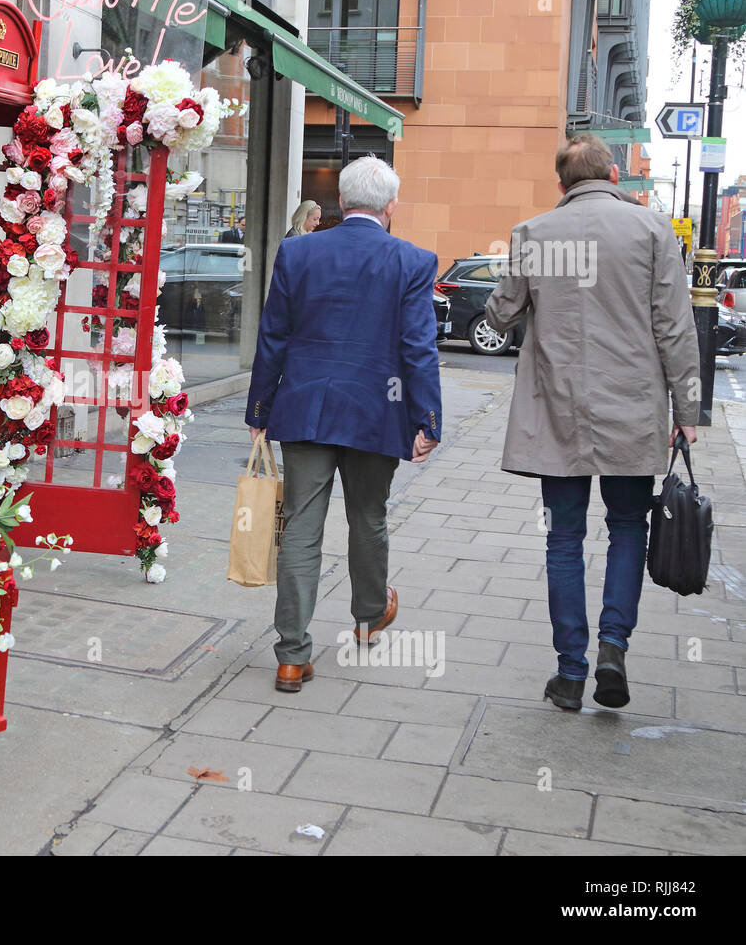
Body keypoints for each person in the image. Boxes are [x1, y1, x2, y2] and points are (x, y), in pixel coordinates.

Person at [484, 132, 700, 713]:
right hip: (633, 407)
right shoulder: (654, 231)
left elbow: (501, 316)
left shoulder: (533, 234)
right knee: (630, 525)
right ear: (612, 176)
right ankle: (612, 647)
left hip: (558, 410)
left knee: (563, 538)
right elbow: (675, 327)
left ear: (562, 184)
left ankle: (570, 671)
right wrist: (688, 410)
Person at [245, 155, 441, 693]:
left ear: (341, 201)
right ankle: (370, 613)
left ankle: (291, 654)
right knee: (368, 516)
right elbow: (418, 349)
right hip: (378, 411)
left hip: (305, 408)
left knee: (302, 527)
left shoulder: (298, 251)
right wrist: (427, 419)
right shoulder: (413, 260)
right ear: (391, 206)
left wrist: (260, 410)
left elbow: (273, 337)